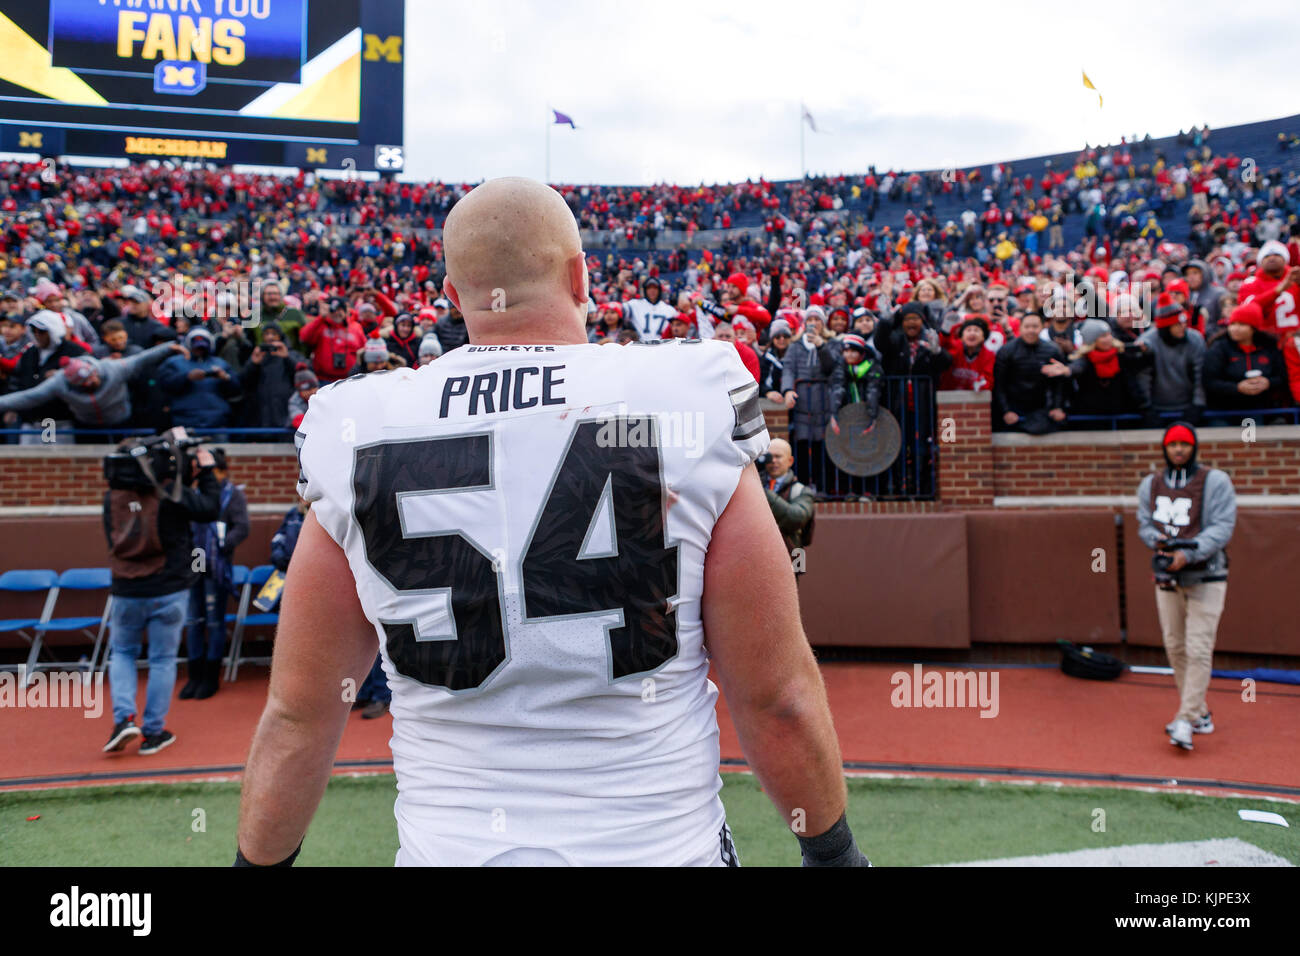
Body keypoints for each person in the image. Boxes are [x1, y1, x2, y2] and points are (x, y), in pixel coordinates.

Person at [238, 177, 865, 868]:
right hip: (657, 851)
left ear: (454, 296)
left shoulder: (353, 425)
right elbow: (775, 695)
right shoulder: (688, 394)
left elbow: (302, 713)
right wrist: (834, 855)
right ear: (579, 274)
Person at [102, 432, 222, 755]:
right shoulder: (171, 492)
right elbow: (210, 508)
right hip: (168, 589)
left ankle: (124, 719)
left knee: (123, 653)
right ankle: (152, 732)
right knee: (162, 659)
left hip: (126, 588)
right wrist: (206, 470)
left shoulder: (111, 497)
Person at [1136, 422, 1236, 751]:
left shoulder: (1215, 481)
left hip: (1206, 576)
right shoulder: (1150, 484)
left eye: (1185, 443)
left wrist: (1188, 551)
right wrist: (1160, 543)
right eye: (1172, 444)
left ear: (1195, 446)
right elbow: (1144, 523)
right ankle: (1201, 714)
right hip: (1167, 577)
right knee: (1175, 647)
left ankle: (1185, 718)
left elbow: (1223, 526)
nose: (1179, 449)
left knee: (1198, 648)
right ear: (1164, 448)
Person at [181, 448, 250, 701]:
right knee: (194, 621)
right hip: (193, 565)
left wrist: (222, 544)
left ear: (223, 470)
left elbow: (242, 527)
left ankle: (211, 678)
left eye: (216, 471)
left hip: (217, 565)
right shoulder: (194, 491)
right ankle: (194, 676)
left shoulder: (233, 495)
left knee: (214, 621)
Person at [992, 312, 1066, 433]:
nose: (1031, 330)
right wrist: (1006, 410)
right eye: (1027, 327)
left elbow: (1059, 384)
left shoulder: (1052, 350)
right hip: (1014, 405)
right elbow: (999, 384)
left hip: (1041, 405)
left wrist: (1057, 407)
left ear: (1042, 328)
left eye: (1035, 326)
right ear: (1020, 328)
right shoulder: (1006, 351)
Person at [762, 438, 816, 574]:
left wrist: (763, 491)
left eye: (778, 456)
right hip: (758, 560)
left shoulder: (802, 491)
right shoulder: (754, 485)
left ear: (790, 461)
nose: (773, 461)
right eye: (769, 457)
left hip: (790, 561)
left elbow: (796, 518)